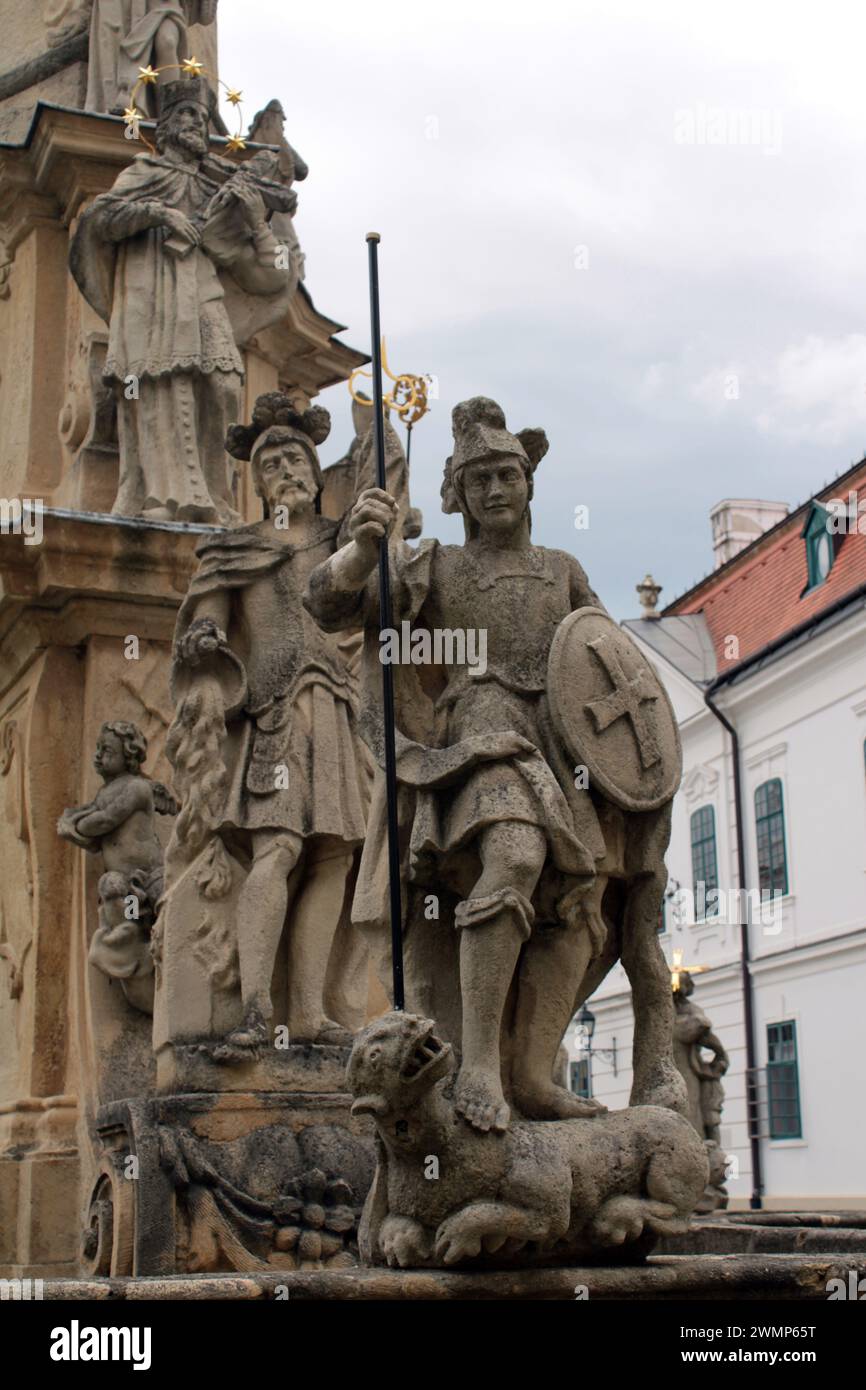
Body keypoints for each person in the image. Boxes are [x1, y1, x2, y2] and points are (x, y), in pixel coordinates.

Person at [168, 397, 375, 1051]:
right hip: (273, 717)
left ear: (316, 474)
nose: (285, 468)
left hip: (339, 712)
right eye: (271, 462)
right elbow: (200, 632)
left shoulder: (344, 541)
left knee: (335, 857)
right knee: (278, 847)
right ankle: (256, 1009)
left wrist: (375, 540)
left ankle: (309, 1013)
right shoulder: (234, 551)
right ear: (257, 483)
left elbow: (382, 607)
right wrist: (201, 638)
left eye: (296, 458)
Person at [70, 76, 297, 523]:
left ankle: (219, 495)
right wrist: (160, 213)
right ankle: (165, 497)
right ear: (167, 127)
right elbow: (101, 220)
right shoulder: (143, 173)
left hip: (202, 292)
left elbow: (273, 274)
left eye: (201, 116)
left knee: (225, 384)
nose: (196, 123)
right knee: (159, 384)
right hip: (153, 296)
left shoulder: (220, 184)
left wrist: (256, 220)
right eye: (186, 115)